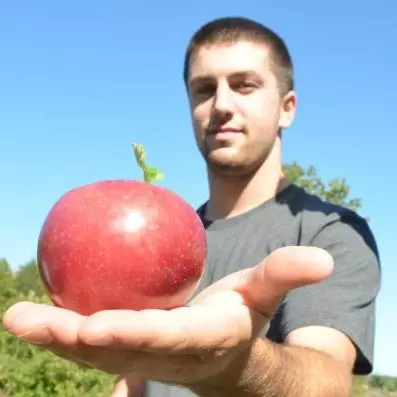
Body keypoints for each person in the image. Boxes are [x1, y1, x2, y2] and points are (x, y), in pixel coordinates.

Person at [3, 16, 381, 397]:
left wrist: (230, 364)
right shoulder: (162, 238)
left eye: (244, 85)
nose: (221, 105)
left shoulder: (329, 232)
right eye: (203, 89)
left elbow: (329, 381)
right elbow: (136, 376)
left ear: (287, 107)